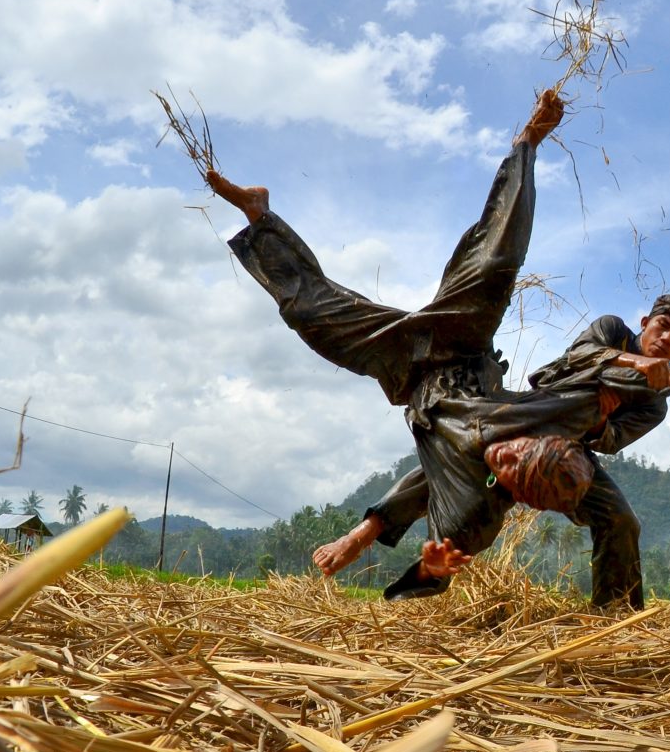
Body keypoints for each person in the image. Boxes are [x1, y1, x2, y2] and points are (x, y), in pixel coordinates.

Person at [208, 89, 643, 600]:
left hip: (409, 371)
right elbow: (564, 383)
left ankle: (260, 217)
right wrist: (632, 383)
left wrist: (428, 570)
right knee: (496, 262)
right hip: (462, 343)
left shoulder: (474, 509)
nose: (502, 452)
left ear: (513, 490)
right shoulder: (549, 411)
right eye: (517, 449)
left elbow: (421, 565)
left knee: (312, 317)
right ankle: (528, 142)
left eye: (506, 466)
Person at [314, 294, 670, 608]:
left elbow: (610, 440)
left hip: (568, 453)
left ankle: (614, 612)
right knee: (461, 456)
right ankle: (362, 536)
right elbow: (581, 356)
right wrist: (638, 366)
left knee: (621, 520)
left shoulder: (655, 404)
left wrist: (600, 418)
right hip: (530, 416)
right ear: (645, 323)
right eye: (663, 326)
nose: (666, 338)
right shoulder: (612, 330)